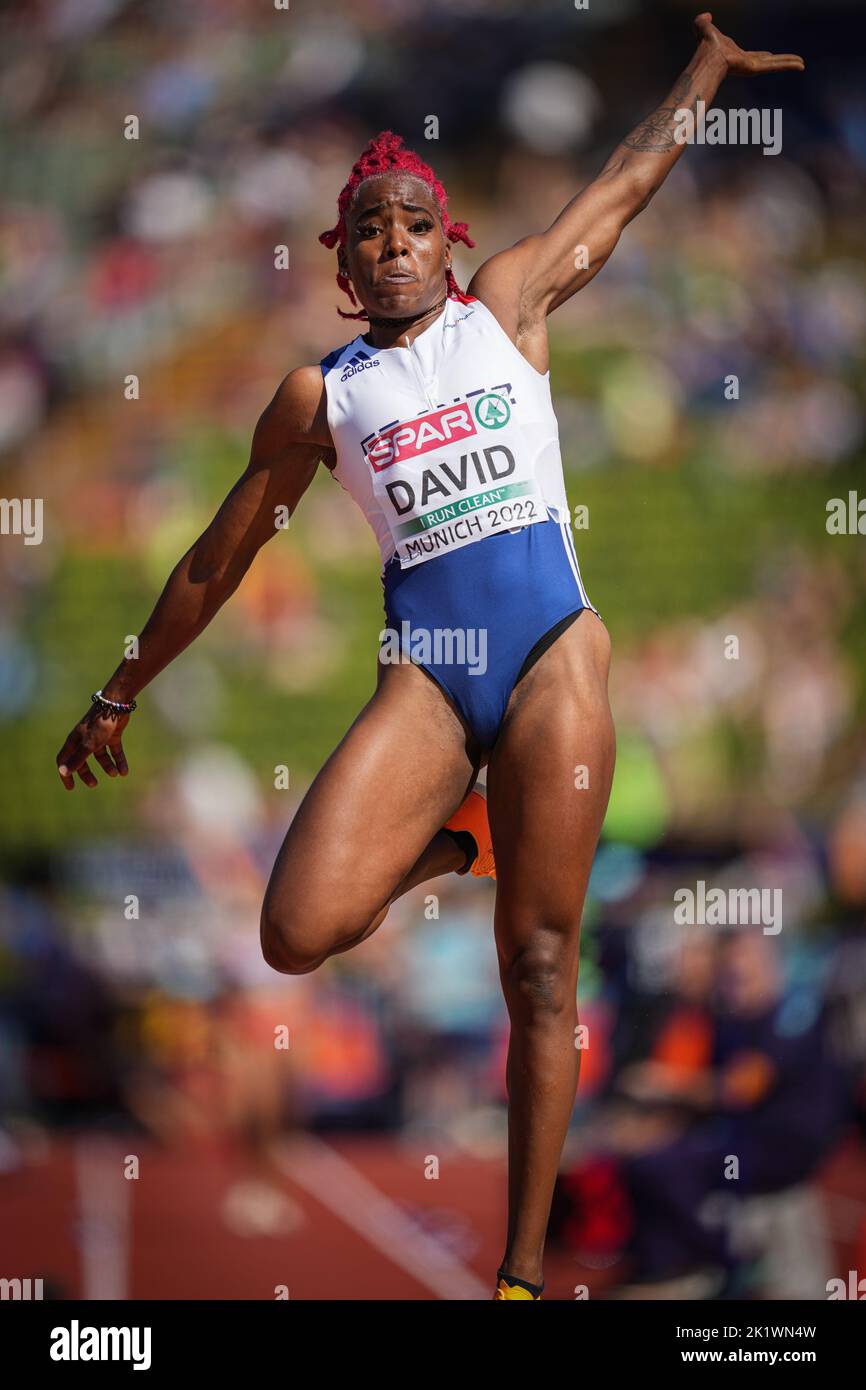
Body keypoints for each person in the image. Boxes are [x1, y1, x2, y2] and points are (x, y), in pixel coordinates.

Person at [55, 14, 803, 1300]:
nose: (392, 242)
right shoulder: (318, 396)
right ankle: (467, 836)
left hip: (551, 657)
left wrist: (703, 76)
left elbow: (621, 185)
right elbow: (210, 563)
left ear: (442, 240)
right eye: (368, 228)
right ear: (342, 259)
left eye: (413, 223)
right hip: (428, 680)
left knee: (538, 966)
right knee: (296, 929)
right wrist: (118, 688)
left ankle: (517, 1274)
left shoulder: (505, 306)